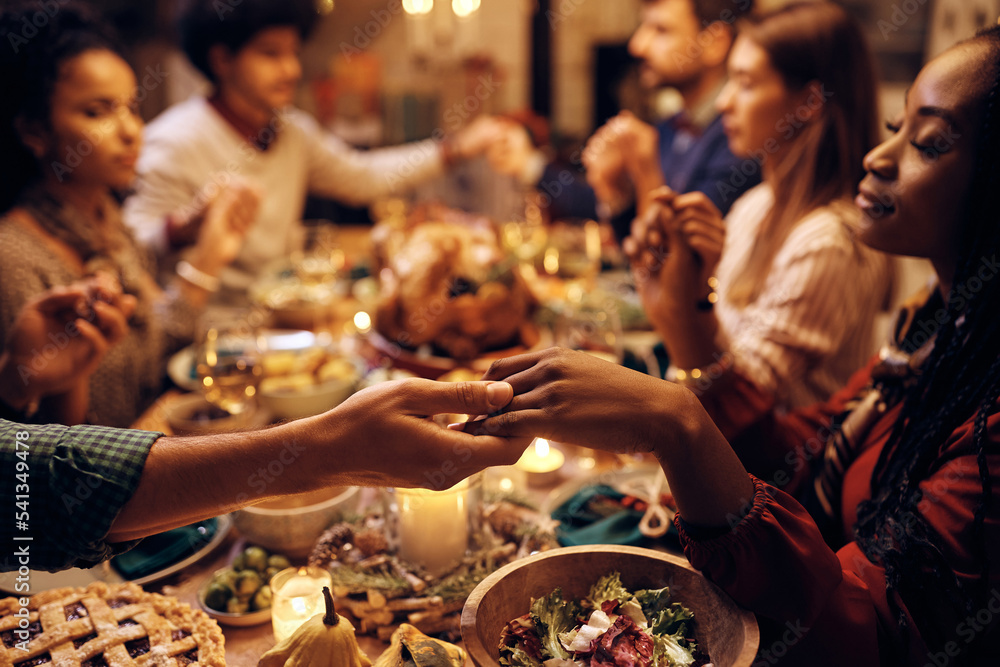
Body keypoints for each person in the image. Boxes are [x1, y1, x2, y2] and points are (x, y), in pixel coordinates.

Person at [470, 22, 1000, 666]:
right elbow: (802, 455)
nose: (878, 157)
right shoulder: (934, 329)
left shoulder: (985, 412)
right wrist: (678, 318)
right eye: (895, 128)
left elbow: (879, 628)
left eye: (930, 142)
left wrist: (676, 419)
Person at [626, 2, 893, 429]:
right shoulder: (756, 205)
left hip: (780, 486)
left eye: (746, 84)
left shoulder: (829, 240)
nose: (725, 102)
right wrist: (668, 277)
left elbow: (739, 408)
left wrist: (690, 297)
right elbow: (701, 364)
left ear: (808, 102)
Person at [122, 0, 497, 294]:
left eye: (293, 53)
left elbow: (362, 178)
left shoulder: (293, 131)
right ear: (222, 59)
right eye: (271, 54)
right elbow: (129, 252)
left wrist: (455, 149)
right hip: (205, 338)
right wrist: (182, 226)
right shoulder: (173, 141)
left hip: (283, 324)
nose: (292, 70)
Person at [0, 1, 255, 428]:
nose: (130, 130)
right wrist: (209, 260)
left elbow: (161, 342)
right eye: (97, 112)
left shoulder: (104, 218)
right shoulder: (15, 257)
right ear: (34, 132)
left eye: (131, 107)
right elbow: (46, 449)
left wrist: (200, 237)